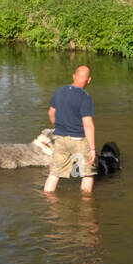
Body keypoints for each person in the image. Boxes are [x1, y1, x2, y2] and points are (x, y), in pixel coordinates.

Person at [43, 65, 96, 195]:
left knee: (54, 174)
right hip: (79, 139)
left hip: (61, 139)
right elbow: (88, 125)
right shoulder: (85, 97)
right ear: (89, 80)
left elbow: (51, 112)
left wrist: (59, 127)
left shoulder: (60, 91)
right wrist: (93, 149)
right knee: (87, 174)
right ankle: (85, 208)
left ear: (74, 76)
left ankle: (48, 204)